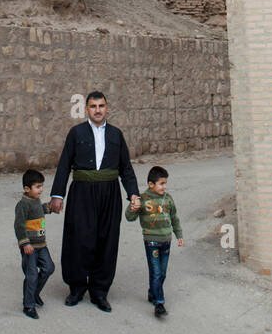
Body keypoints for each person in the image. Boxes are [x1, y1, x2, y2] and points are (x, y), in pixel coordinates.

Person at [49, 92, 140, 310]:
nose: (97, 110)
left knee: (106, 239)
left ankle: (100, 291)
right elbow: (64, 165)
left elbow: (126, 168)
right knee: (79, 238)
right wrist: (57, 195)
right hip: (82, 192)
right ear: (87, 109)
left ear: (107, 108)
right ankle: (77, 287)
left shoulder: (117, 135)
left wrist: (133, 193)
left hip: (110, 192)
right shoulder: (76, 133)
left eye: (101, 106)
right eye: (93, 106)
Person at [125, 165, 183, 317]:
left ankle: (152, 292)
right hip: (151, 241)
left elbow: (174, 218)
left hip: (166, 241)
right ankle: (159, 302)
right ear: (151, 184)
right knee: (156, 272)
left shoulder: (168, 199)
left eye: (165, 183)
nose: (164, 186)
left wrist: (179, 235)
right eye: (161, 183)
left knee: (162, 272)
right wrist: (133, 206)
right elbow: (129, 217)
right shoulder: (143, 199)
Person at [14, 168, 57, 319]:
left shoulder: (36, 201)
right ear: (27, 189)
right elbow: (19, 225)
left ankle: (33, 293)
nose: (41, 189)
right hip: (30, 247)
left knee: (49, 267)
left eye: (41, 186)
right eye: (37, 187)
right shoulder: (23, 205)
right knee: (31, 275)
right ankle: (29, 305)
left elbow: (39, 210)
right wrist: (25, 243)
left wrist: (50, 208)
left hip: (41, 245)